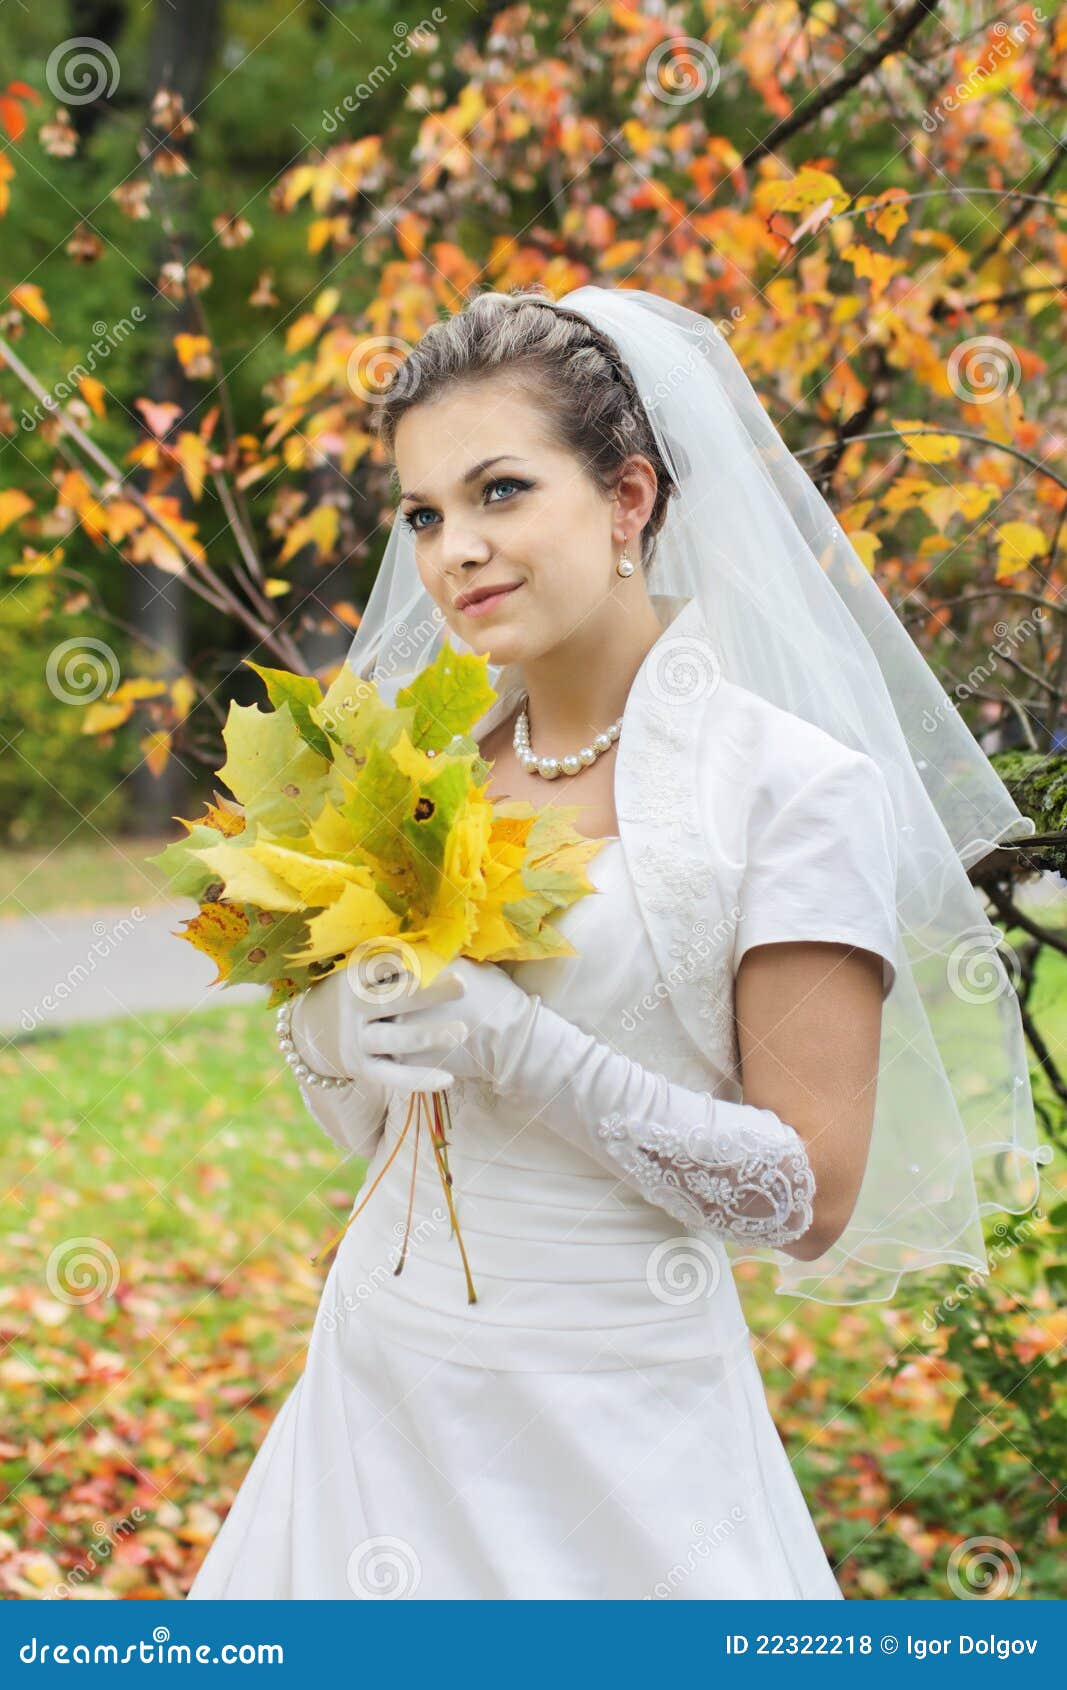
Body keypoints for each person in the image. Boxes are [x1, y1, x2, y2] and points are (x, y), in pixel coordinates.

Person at [187, 286, 1048, 1600]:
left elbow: (804, 1196)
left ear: (630, 497)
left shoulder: (791, 789)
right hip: (380, 1388)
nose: (453, 549)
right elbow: (375, 1129)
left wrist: (523, 1045)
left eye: (501, 492)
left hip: (620, 1423)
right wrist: (329, 1034)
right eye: (424, 514)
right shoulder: (416, 774)